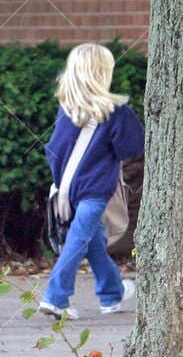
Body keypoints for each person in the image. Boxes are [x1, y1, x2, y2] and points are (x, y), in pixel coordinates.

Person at [41, 43, 144, 320]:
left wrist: (62, 184)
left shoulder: (67, 111)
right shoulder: (117, 112)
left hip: (68, 190)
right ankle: (55, 297)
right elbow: (132, 148)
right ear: (102, 74)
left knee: (93, 240)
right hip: (96, 191)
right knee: (77, 239)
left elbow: (53, 150)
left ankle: (111, 293)